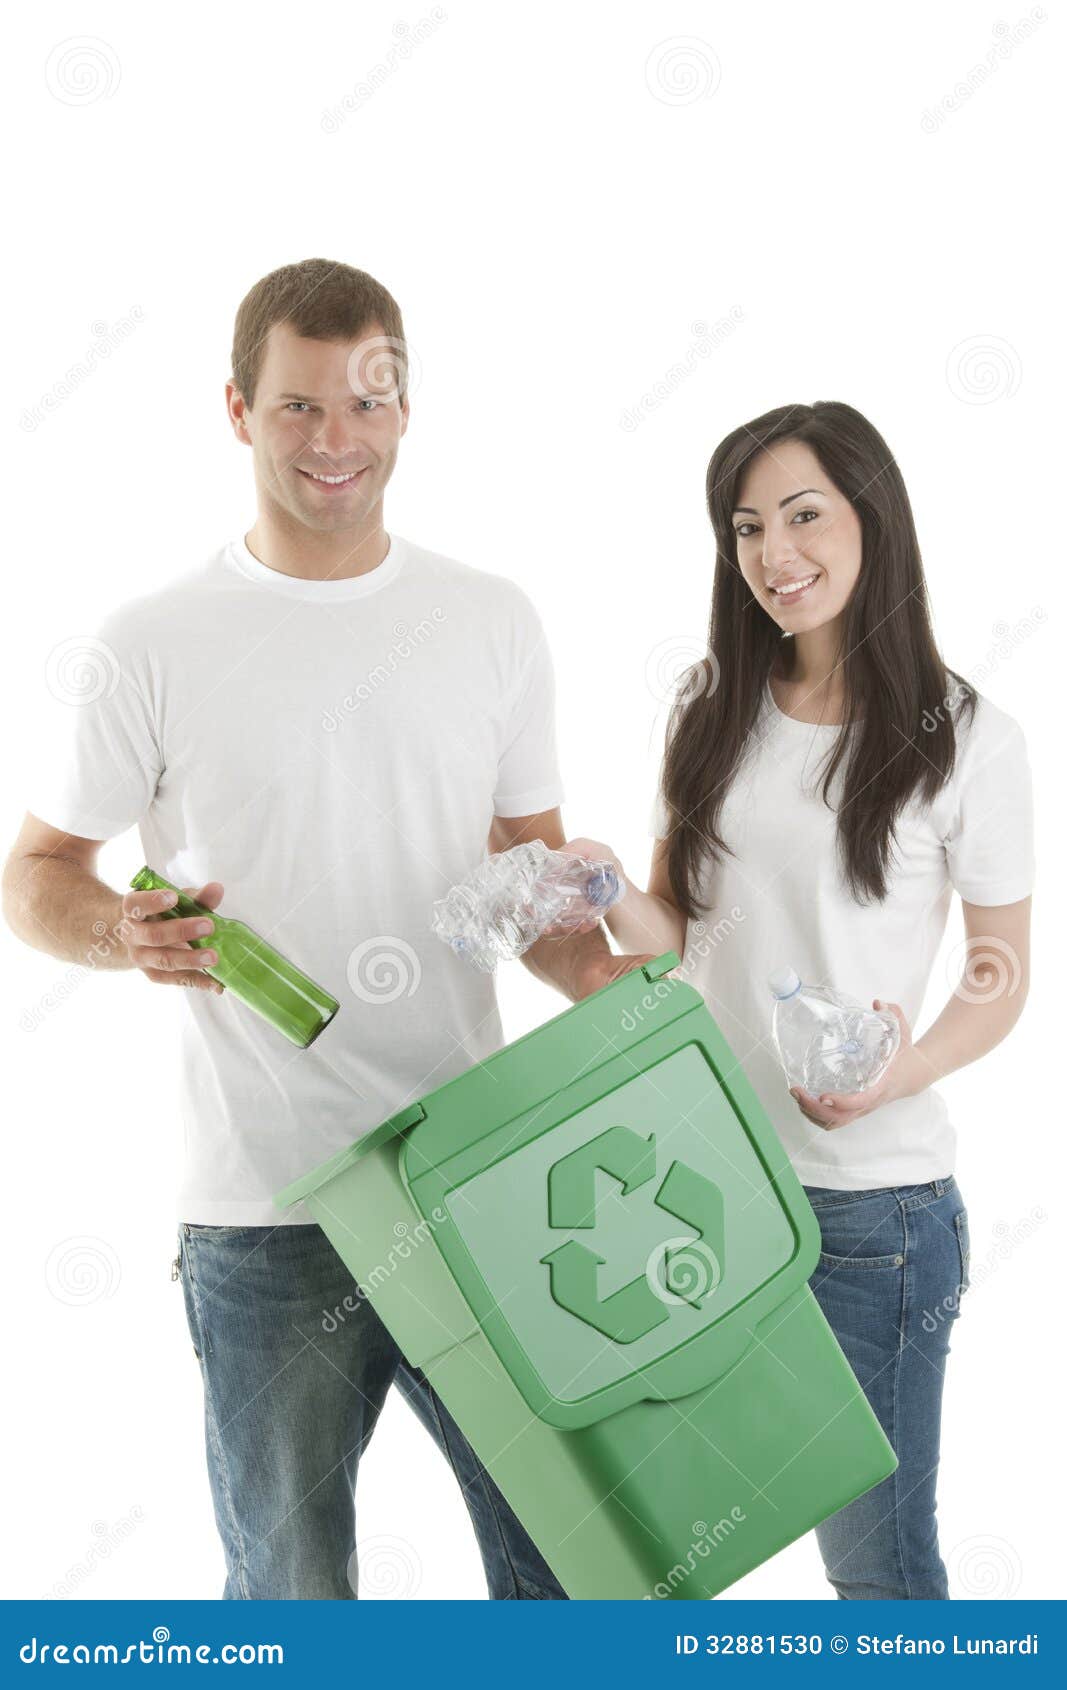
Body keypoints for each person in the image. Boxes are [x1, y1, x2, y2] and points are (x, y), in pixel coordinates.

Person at [3, 258, 650, 1600]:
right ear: (237, 413)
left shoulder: (489, 618)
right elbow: (38, 870)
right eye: (298, 407)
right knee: (292, 1596)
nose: (335, 440)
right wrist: (125, 930)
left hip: (477, 1178)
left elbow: (519, 889)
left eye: (365, 401)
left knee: (565, 1575)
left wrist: (604, 961)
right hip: (265, 1204)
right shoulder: (152, 640)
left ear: (406, 406)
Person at [564, 400, 1033, 1601]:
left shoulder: (966, 737)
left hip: (868, 1219)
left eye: (805, 515)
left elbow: (999, 973)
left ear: (871, 517)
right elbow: (679, 937)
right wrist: (606, 883)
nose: (776, 554)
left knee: (873, 1569)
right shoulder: (708, 707)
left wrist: (900, 1068)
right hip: (701, 1188)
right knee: (659, 1552)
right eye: (747, 527)